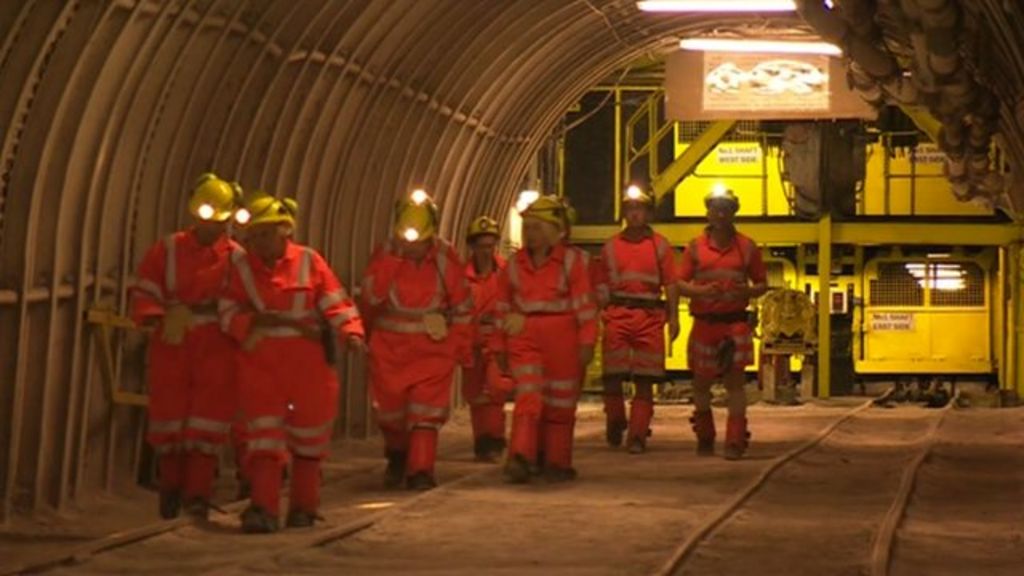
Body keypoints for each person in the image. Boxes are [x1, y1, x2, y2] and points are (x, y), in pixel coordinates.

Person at [219, 191, 365, 533]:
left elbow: (335, 302)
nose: (259, 242)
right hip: (261, 366)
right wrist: (252, 323)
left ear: (284, 230)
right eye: (254, 236)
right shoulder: (241, 269)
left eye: (265, 234)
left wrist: (351, 332)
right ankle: (263, 509)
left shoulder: (309, 262)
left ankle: (304, 508)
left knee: (309, 442)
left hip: (308, 368)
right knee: (264, 441)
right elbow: (226, 312)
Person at [130, 173, 244, 519]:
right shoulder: (168, 249)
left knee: (207, 419)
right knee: (170, 414)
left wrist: (237, 328)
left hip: (216, 343)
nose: (210, 227)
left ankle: (197, 494)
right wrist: (157, 316)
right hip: (174, 339)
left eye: (217, 220)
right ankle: (170, 491)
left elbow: (246, 301)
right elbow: (145, 289)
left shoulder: (236, 258)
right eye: (205, 219)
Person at [361, 190, 473, 491]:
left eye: (419, 241)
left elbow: (462, 306)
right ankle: (398, 455)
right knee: (391, 414)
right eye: (407, 240)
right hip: (390, 351)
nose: (413, 247)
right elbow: (371, 296)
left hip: (432, 349)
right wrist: (393, 261)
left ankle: (421, 470)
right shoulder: (385, 255)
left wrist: (459, 346)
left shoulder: (445, 259)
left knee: (425, 413)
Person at [492, 195, 597, 483]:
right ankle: (521, 456)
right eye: (528, 228)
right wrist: (499, 345)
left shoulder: (572, 262)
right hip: (524, 335)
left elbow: (585, 306)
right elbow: (501, 308)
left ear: (554, 230)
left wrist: (587, 342)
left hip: (564, 339)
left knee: (560, 404)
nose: (530, 234)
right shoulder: (514, 265)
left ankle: (556, 461)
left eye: (537, 228)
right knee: (528, 396)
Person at [677, 186, 767, 460]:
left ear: (733, 212)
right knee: (701, 383)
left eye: (725, 208)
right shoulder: (694, 247)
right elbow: (679, 283)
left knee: (735, 384)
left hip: (734, 323)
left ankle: (735, 441)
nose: (719, 214)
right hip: (705, 323)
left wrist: (745, 292)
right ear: (708, 212)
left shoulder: (747, 247)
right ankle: (705, 437)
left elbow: (762, 284)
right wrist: (701, 292)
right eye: (715, 208)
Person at [592, 186, 680, 454]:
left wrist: (673, 317)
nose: (634, 214)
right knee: (612, 375)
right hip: (617, 315)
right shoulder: (611, 247)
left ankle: (638, 435)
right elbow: (601, 283)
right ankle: (615, 420)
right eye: (630, 209)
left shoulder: (660, 246)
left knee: (645, 378)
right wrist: (598, 312)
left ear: (648, 213)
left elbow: (671, 283)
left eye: (639, 209)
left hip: (649, 317)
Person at [463, 216, 508, 461]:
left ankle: (494, 440)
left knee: (495, 389)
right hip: (471, 341)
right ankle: (482, 441)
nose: (486, 251)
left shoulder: (506, 273)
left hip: (497, 340)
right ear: (472, 247)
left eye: (490, 246)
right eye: (481, 246)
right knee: (474, 393)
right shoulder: (462, 277)